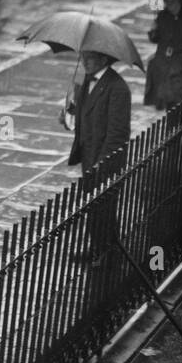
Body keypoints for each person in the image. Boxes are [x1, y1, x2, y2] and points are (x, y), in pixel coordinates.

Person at [65, 50, 132, 265]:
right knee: (92, 206)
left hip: (104, 158)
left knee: (104, 207)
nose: (84, 61)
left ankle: (108, 253)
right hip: (88, 154)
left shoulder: (118, 88)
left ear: (104, 59)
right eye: (83, 57)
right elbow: (84, 111)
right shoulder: (87, 79)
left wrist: (102, 163)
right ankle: (97, 247)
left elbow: (118, 133)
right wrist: (69, 112)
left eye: (90, 58)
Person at [145, 0, 182, 110]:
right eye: (167, 3)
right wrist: (153, 30)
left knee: (178, 101)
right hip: (163, 66)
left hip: (181, 67)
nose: (169, 6)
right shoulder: (162, 16)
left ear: (179, 1)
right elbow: (155, 39)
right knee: (166, 101)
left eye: (172, 3)